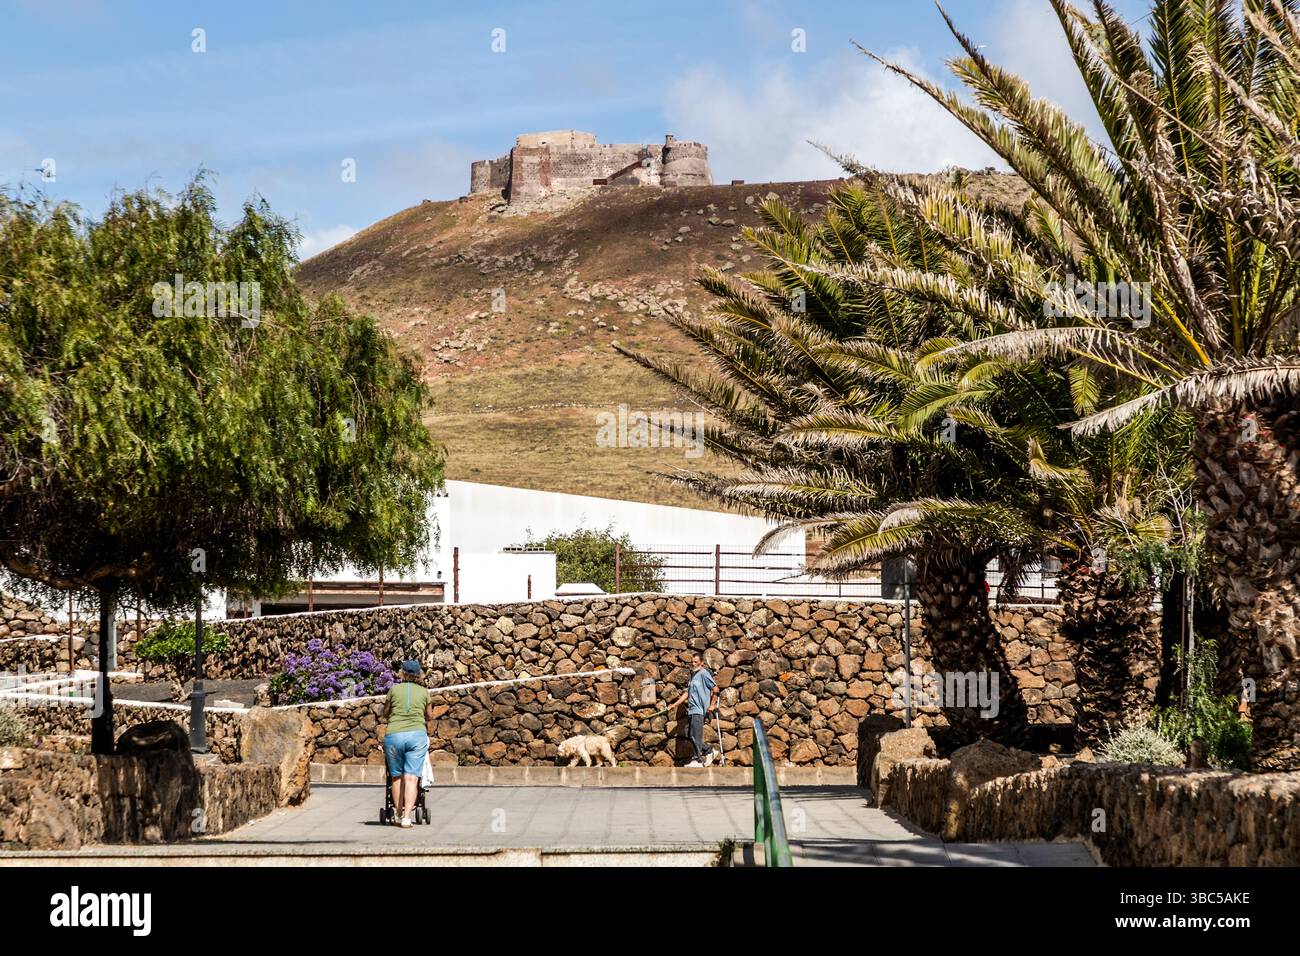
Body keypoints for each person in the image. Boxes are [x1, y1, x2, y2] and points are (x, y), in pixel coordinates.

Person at [379, 659, 434, 828]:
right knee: (411, 778)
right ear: (418, 674)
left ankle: (397, 814)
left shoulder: (394, 690)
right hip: (416, 736)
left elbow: (385, 713)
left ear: (402, 673)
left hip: (394, 735)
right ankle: (406, 818)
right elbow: (429, 716)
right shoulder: (424, 692)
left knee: (396, 777)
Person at [672, 650, 720, 767]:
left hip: (699, 710)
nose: (693, 664)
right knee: (689, 733)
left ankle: (698, 759)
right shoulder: (693, 676)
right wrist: (675, 704)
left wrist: (712, 705)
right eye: (692, 662)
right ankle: (709, 750)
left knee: (695, 735)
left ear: (701, 663)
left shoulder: (704, 674)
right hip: (691, 710)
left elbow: (716, 689)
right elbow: (687, 694)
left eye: (695, 662)